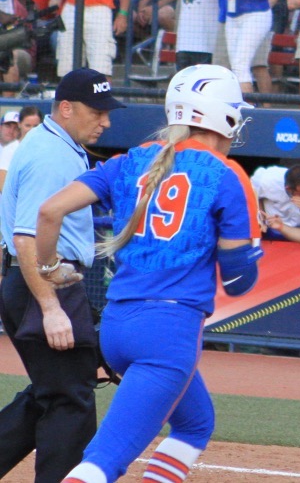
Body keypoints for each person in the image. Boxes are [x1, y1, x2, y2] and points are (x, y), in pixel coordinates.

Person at [32, 65, 256, 483]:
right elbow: (239, 281)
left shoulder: (129, 160)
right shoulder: (228, 175)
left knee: (195, 424)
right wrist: (248, 247)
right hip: (167, 331)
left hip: (116, 327)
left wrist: (48, 269)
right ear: (220, 115)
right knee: (102, 462)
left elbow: (49, 211)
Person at [0, 69, 122, 483]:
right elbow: (26, 236)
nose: (105, 121)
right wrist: (51, 308)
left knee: (52, 391)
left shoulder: (52, 143)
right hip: (42, 284)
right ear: (66, 108)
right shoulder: (52, 154)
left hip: (35, 282)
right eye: (98, 111)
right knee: (71, 400)